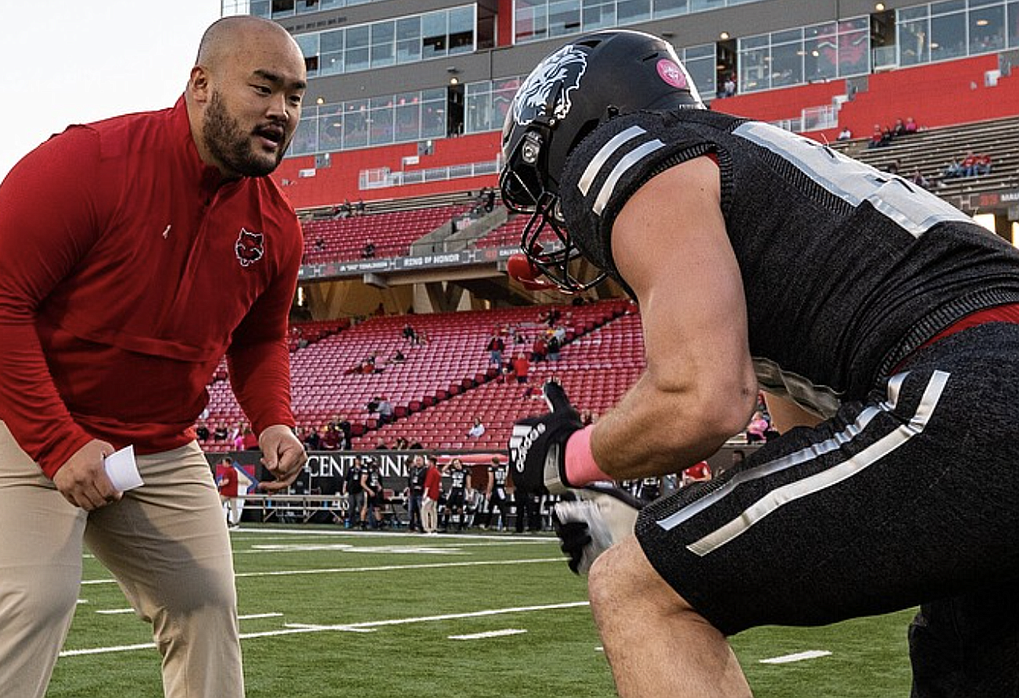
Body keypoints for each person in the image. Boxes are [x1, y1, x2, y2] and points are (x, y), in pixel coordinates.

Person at [501, 28, 1019, 697]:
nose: (561, 213)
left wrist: (565, 457)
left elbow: (704, 399)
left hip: (970, 391)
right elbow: (799, 450)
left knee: (637, 588)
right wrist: (644, 512)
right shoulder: (772, 187)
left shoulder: (626, 149)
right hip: (976, 389)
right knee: (963, 665)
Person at [0, 16, 308, 698]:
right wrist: (56, 441)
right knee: (30, 598)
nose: (282, 110)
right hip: (16, 415)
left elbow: (260, 338)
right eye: (263, 87)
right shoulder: (87, 165)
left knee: (204, 599)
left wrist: (272, 418)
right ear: (199, 85)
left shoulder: (275, 225)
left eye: (297, 96)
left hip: (153, 439)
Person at [215, 457, 243, 529]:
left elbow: (226, 481)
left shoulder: (228, 471)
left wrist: (220, 484)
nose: (223, 464)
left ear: (227, 463)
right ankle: (235, 523)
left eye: (224, 462)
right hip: (233, 492)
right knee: (234, 508)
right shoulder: (234, 471)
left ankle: (218, 521)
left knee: (218, 504)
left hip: (226, 492)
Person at [484, 455, 510, 531]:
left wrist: (488, 492)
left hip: (495, 490)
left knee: (490, 508)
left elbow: (491, 481)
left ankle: (487, 524)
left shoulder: (491, 469)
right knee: (502, 508)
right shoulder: (503, 468)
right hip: (501, 489)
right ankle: (504, 525)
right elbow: (505, 480)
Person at [420, 456, 443, 535]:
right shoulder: (437, 472)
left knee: (424, 510)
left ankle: (427, 528)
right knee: (433, 511)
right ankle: (434, 527)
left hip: (430, 494)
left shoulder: (431, 471)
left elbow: (428, 484)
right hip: (435, 493)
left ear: (431, 462)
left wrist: (425, 494)